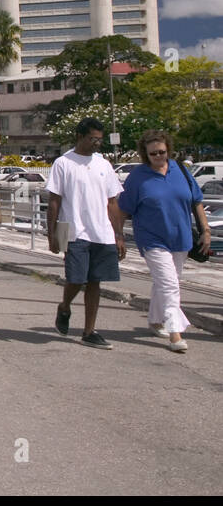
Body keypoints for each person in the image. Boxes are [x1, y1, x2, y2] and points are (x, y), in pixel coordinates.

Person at [114, 130, 209, 353]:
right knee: (169, 284)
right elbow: (122, 210)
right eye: (153, 153)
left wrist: (205, 230)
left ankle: (156, 321)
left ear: (169, 150)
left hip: (181, 237)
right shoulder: (138, 177)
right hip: (152, 239)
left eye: (162, 152)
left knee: (168, 281)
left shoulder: (181, 170)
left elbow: (196, 202)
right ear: (145, 154)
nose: (159, 157)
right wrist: (118, 236)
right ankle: (175, 333)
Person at [46, 118, 125, 349]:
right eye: (92, 139)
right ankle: (64, 306)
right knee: (76, 278)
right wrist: (52, 235)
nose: (96, 144)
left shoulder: (104, 165)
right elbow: (54, 201)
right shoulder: (63, 163)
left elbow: (112, 202)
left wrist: (119, 235)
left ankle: (89, 331)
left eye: (99, 140)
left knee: (95, 281)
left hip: (101, 232)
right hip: (73, 231)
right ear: (79, 136)